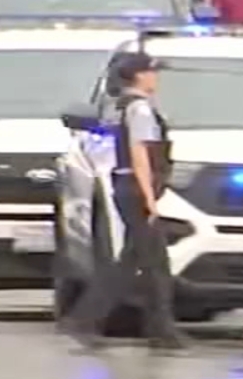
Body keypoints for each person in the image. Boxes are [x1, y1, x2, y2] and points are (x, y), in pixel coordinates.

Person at [61, 52, 188, 351]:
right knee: (154, 264)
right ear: (138, 76)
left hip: (127, 187)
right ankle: (87, 321)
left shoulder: (123, 106)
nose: (156, 77)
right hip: (135, 187)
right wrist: (149, 197)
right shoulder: (140, 109)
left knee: (135, 261)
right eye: (152, 72)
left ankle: (157, 330)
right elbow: (139, 153)